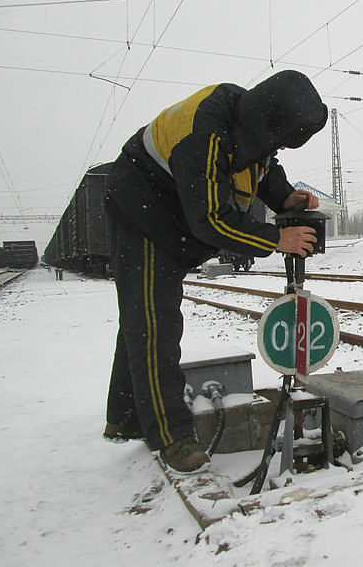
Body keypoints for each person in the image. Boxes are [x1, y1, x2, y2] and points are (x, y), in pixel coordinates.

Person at [102, 70, 328, 472]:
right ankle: (172, 436)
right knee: (154, 323)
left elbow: (262, 163)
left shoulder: (251, 120)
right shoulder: (204, 134)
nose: (275, 147)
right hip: (144, 208)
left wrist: (282, 195)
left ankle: (124, 417)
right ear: (266, 119)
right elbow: (210, 219)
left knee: (141, 317)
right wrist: (276, 240)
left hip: (173, 207)